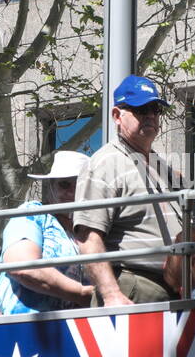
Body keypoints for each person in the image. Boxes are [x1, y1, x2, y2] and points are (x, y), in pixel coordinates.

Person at [73, 75, 183, 307]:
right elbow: (87, 237)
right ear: (117, 115)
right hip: (134, 288)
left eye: (155, 109)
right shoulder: (104, 163)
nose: (151, 115)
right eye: (141, 109)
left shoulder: (159, 165)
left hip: (175, 290)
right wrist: (112, 294)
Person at [0, 150, 94, 315]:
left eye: (80, 185)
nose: (72, 192)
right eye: (65, 184)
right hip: (22, 328)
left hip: (71, 330)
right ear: (51, 186)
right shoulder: (33, 214)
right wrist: (81, 293)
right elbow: (22, 267)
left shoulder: (89, 231)